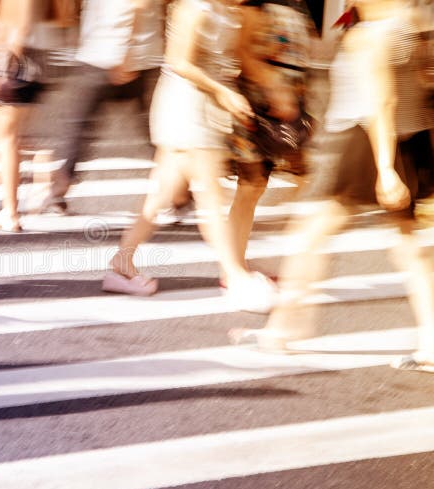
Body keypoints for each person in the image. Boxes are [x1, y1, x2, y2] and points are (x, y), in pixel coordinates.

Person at [230, 0, 434, 368]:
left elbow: (381, 102)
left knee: (308, 236)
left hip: (365, 143)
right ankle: (431, 341)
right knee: (409, 248)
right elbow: (421, 82)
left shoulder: (369, 36)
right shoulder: (411, 22)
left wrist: (385, 169)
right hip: (408, 140)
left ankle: (285, 329)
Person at [104, 0, 277, 313]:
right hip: (186, 107)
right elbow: (179, 61)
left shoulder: (226, 10)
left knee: (161, 195)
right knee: (210, 196)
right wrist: (223, 91)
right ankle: (236, 278)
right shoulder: (195, 8)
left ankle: (121, 263)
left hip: (205, 109)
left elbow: (233, 58)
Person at [36, 0, 164, 215]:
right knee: (150, 128)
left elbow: (138, 5)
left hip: (115, 55)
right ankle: (180, 195)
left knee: (79, 125)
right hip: (113, 53)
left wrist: (126, 50)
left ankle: (58, 191)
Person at [223, 0, 316, 286]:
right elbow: (243, 54)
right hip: (260, 110)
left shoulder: (297, 6)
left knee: (263, 186)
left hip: (287, 109)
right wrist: (276, 89)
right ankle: (233, 268)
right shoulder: (257, 7)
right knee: (250, 187)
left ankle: (241, 265)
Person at [0, 0, 51, 232]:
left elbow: (21, 22)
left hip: (14, 62)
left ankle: (10, 212)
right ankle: (45, 170)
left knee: (7, 140)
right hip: (16, 59)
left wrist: (5, 66)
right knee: (0, 135)